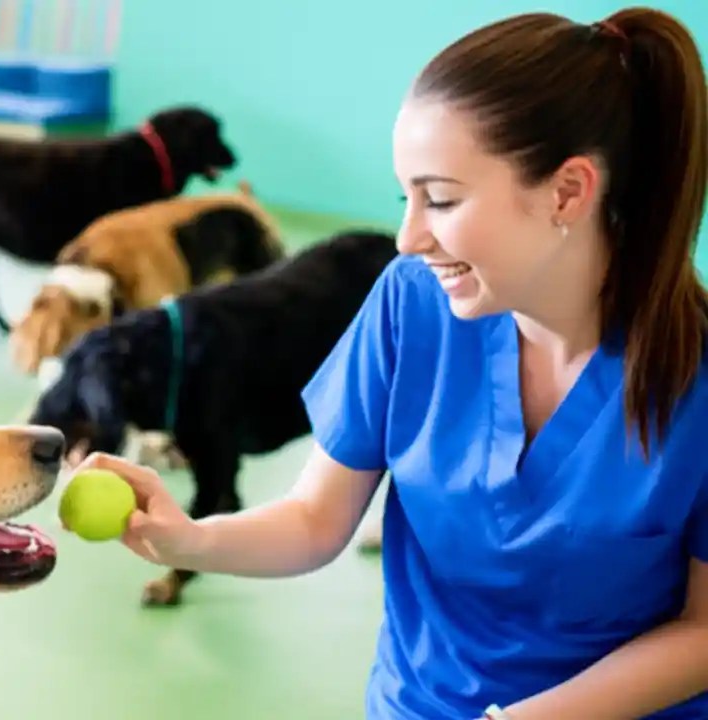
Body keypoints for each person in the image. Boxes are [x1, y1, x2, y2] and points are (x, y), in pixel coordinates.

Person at [76, 8, 708, 719]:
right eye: (404, 197)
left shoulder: (699, 385)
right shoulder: (414, 305)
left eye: (440, 199)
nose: (409, 238)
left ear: (568, 191)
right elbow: (316, 521)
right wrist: (186, 539)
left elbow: (703, 631)